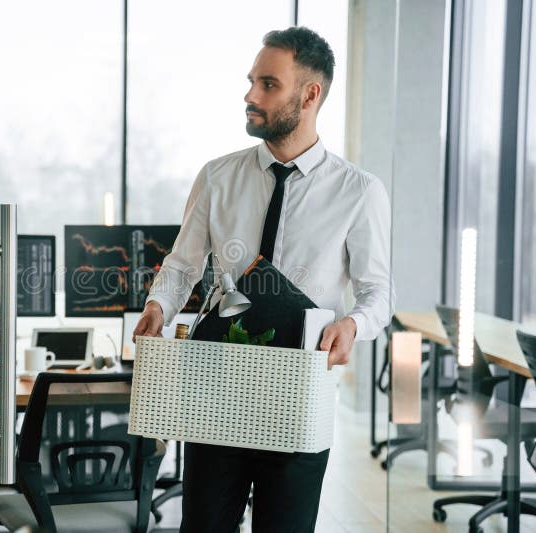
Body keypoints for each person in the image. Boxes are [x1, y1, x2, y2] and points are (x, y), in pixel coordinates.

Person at [133, 26, 394, 532]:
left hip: (301, 396)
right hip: (216, 388)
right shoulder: (217, 176)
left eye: (269, 84)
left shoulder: (359, 192)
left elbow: (378, 292)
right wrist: (159, 306)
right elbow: (183, 265)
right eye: (251, 81)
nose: (251, 95)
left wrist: (353, 326)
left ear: (310, 94)